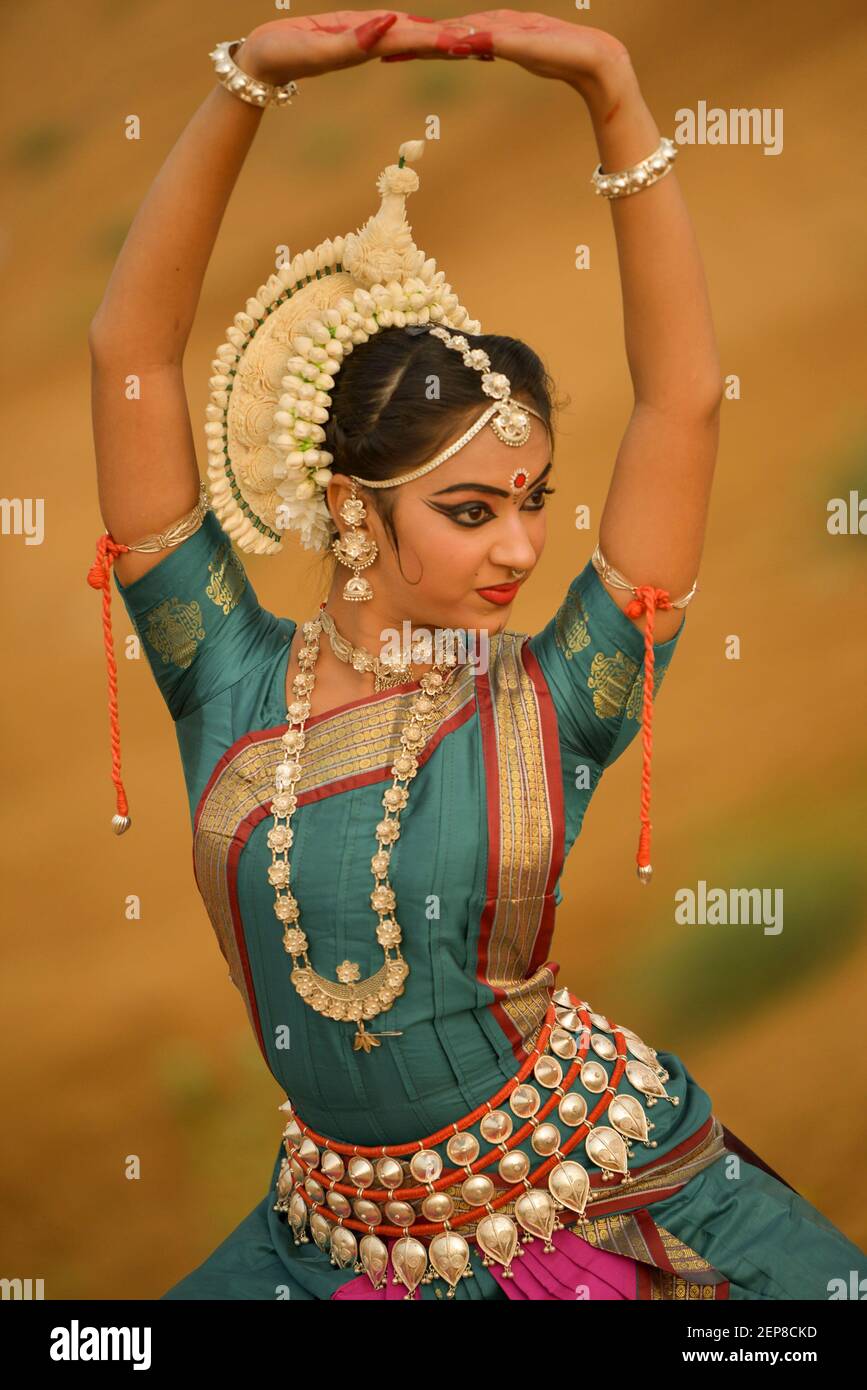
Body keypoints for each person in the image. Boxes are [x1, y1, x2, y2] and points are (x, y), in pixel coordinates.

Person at [87, 13, 866, 1301]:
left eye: (534, 499)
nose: (521, 549)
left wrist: (613, 93)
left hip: (592, 1191)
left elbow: (684, 400)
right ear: (353, 508)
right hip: (328, 1239)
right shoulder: (218, 674)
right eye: (470, 512)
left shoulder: (554, 702)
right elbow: (132, 360)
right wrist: (250, 80)